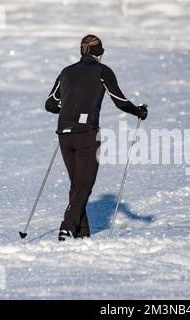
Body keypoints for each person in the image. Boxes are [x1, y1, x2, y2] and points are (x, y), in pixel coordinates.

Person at [45, 34, 148, 241]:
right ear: (99, 54)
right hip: (87, 135)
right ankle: (66, 227)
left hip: (64, 135)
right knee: (84, 186)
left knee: (77, 186)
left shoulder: (66, 72)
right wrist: (138, 111)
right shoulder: (103, 71)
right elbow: (119, 101)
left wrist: (68, 111)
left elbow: (50, 105)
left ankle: (82, 234)